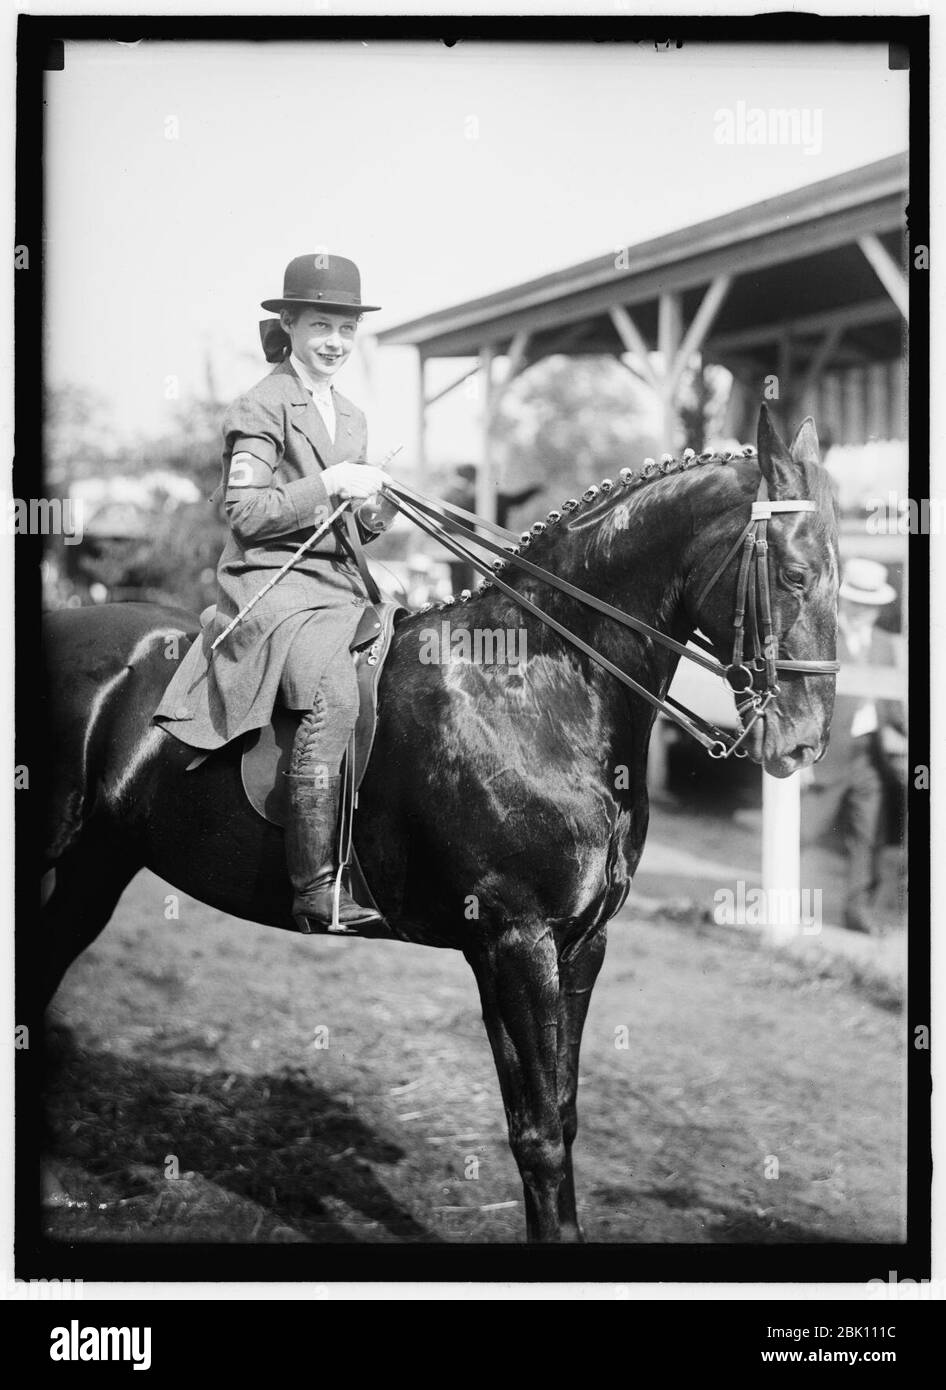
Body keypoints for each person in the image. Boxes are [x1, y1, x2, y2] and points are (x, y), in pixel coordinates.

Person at [154, 253, 395, 934]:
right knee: (334, 692)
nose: (334, 342)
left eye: (345, 329)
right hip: (270, 591)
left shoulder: (350, 415)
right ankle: (316, 888)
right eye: (321, 324)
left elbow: (348, 526)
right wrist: (331, 483)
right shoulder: (259, 406)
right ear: (288, 324)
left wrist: (374, 507)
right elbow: (248, 513)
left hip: (337, 588)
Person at [803, 558, 907, 934]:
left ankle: (857, 912)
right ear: (844, 600)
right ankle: (783, 898)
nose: (864, 609)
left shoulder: (884, 644)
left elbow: (893, 706)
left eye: (872, 602)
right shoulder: (822, 636)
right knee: (804, 831)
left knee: (869, 836)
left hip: (870, 755)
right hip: (829, 753)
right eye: (858, 601)